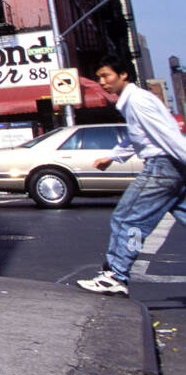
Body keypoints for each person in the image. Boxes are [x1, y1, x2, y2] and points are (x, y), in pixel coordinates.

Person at [77, 54, 186, 296]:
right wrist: (113, 156)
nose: (102, 82)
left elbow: (167, 136)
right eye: (99, 78)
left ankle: (116, 274)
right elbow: (138, 136)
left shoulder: (137, 101)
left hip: (162, 167)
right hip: (172, 167)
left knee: (128, 220)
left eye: (106, 76)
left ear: (123, 74)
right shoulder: (135, 100)